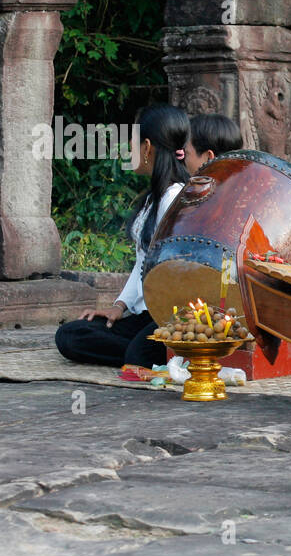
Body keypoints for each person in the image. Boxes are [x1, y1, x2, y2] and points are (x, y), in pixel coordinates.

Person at [55, 104, 191, 368]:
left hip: (169, 314)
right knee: (69, 336)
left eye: (132, 140)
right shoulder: (155, 198)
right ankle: (147, 352)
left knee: (137, 357)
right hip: (144, 315)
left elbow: (179, 273)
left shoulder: (175, 198)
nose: (129, 147)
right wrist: (119, 306)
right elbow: (142, 262)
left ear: (147, 147)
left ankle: (158, 354)